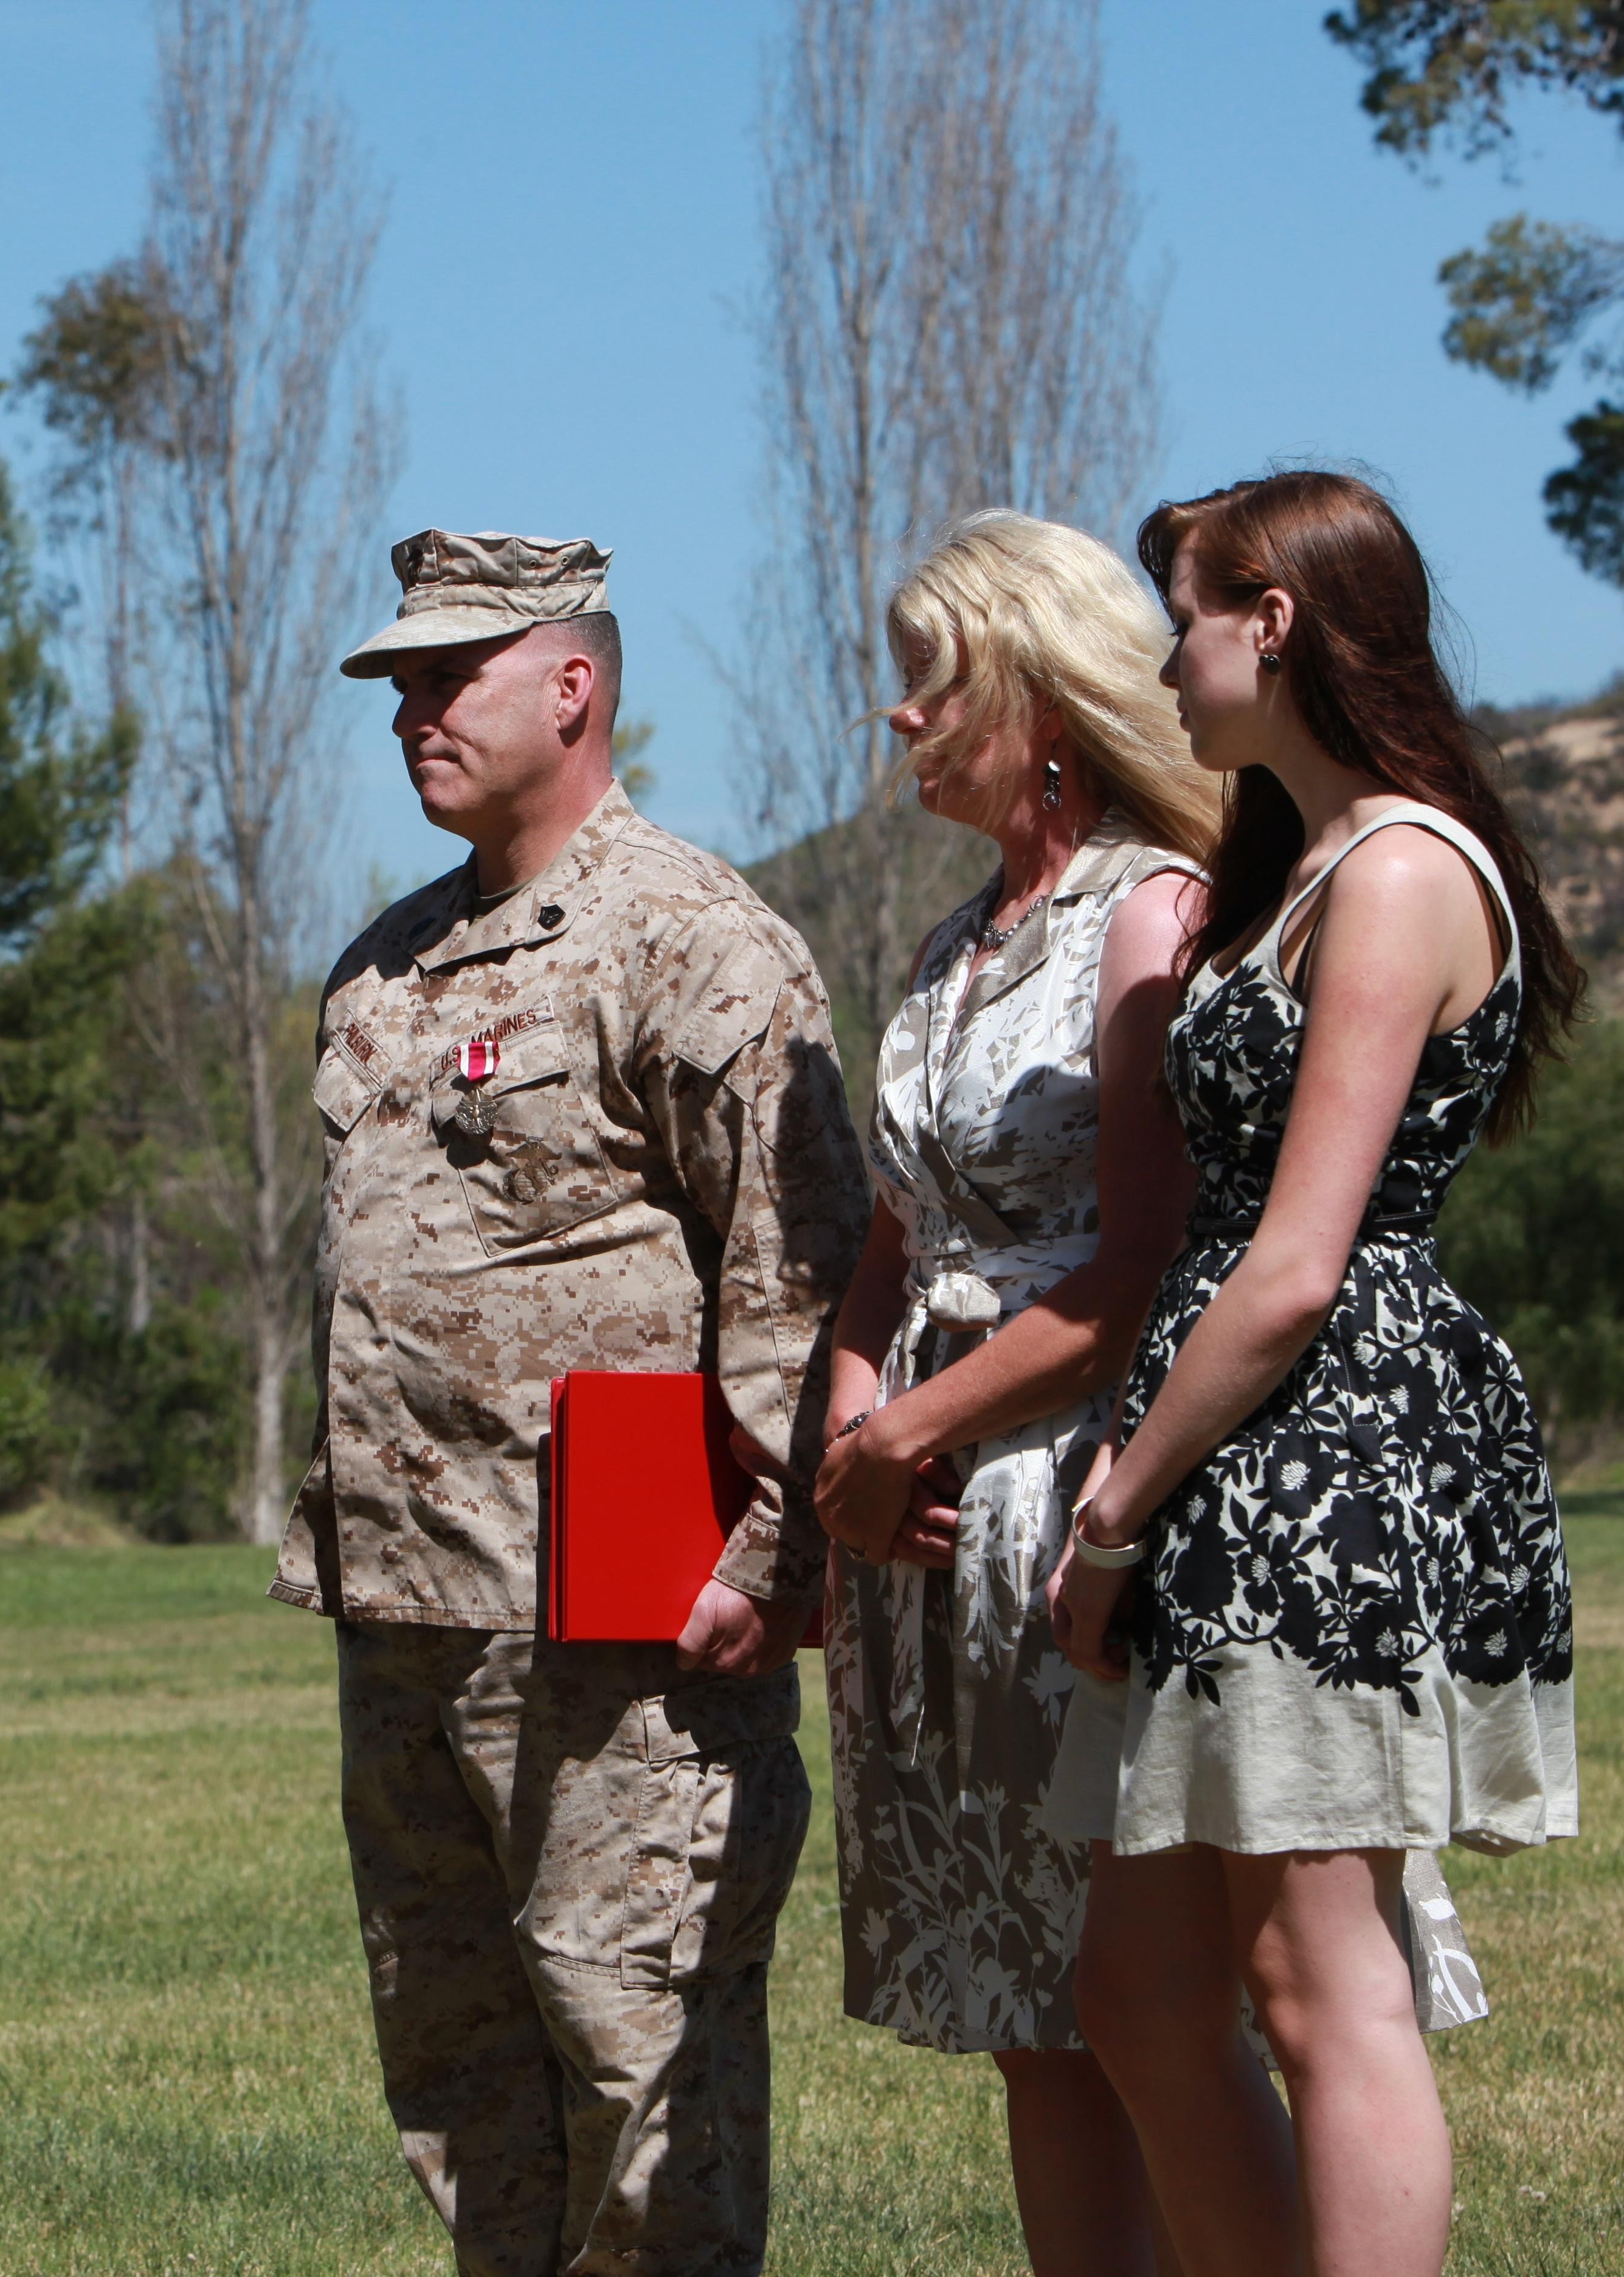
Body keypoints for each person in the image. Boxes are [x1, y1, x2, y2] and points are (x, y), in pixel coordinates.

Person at [280, 528, 867, 2277]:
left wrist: (774, 1559)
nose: (412, 713)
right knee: (461, 2093)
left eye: (450, 676)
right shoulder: (385, 966)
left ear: (573, 683)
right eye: (396, 685)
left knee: (640, 2064)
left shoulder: (691, 941)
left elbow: (806, 1280)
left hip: (619, 1609)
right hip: (410, 1604)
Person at [1045, 470, 1583, 2277]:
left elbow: (1297, 1263)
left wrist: (1114, 1509)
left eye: (1180, 617)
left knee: (1319, 1973)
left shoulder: (1409, 867)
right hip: (1243, 1444)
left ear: (1268, 621)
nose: (1164, 661)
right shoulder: (1306, 866)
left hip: (1323, 1455)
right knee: (1138, 1980)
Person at [810, 511, 1220, 2276]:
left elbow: (1143, 1270)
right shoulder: (947, 946)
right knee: (1027, 2014)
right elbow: (894, 1251)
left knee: (1154, 2012)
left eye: (928, 680)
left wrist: (913, 1427)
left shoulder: (1157, 912)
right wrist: (849, 1425)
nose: (898, 719)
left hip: (1081, 1511)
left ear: (1040, 693)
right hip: (928, 1541)